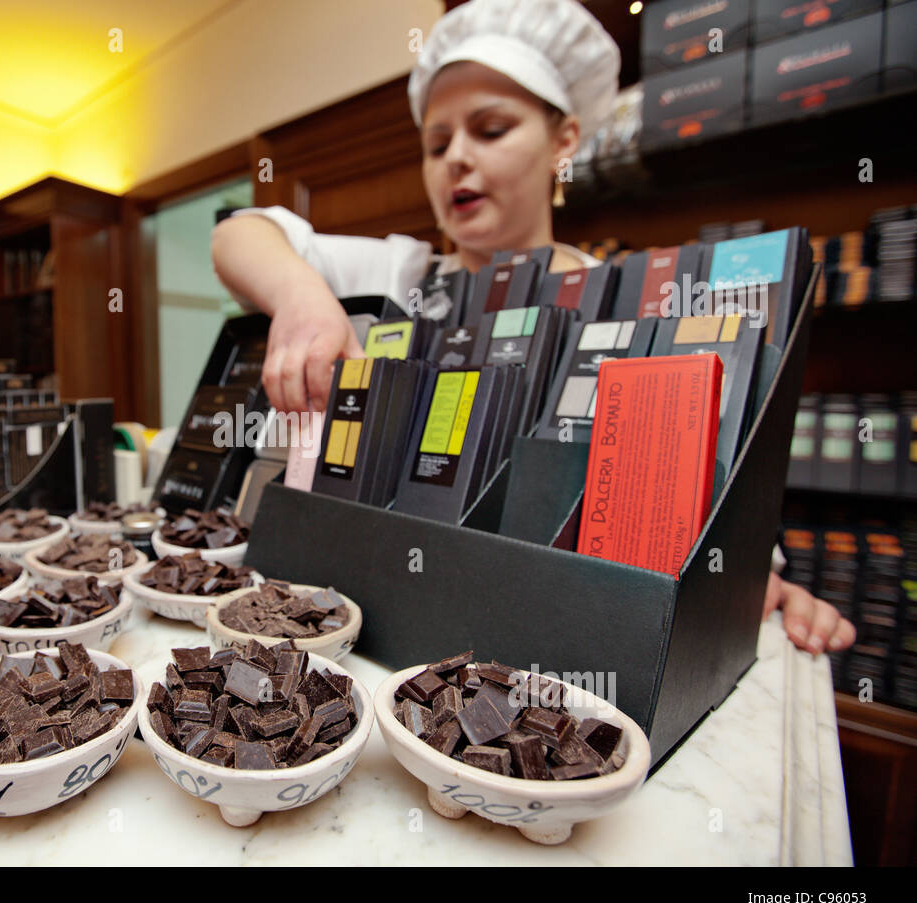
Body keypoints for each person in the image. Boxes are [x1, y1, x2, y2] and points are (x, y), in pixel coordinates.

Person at [210, 0, 855, 657]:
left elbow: (713, 511)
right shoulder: (400, 275)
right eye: (437, 144)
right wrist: (301, 297)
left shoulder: (634, 308)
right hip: (378, 638)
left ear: (564, 141)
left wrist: (761, 585)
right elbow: (238, 234)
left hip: (558, 660)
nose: (456, 157)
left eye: (490, 130)